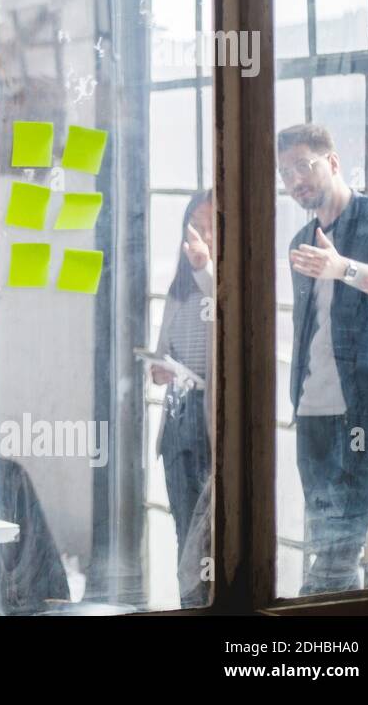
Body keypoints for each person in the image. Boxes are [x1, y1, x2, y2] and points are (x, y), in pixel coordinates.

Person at [278, 123, 368, 595]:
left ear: (332, 163)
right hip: (313, 414)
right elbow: (310, 328)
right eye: (285, 172)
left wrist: (344, 268)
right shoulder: (300, 240)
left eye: (303, 165)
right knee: (333, 554)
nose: (295, 180)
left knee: (334, 554)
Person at [148, 190, 213, 607]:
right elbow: (163, 354)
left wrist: (206, 268)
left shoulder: (223, 283)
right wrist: (160, 368)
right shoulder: (178, 288)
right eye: (196, 229)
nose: (202, 239)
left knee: (208, 536)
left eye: (210, 229)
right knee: (184, 529)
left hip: (209, 420)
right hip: (177, 417)